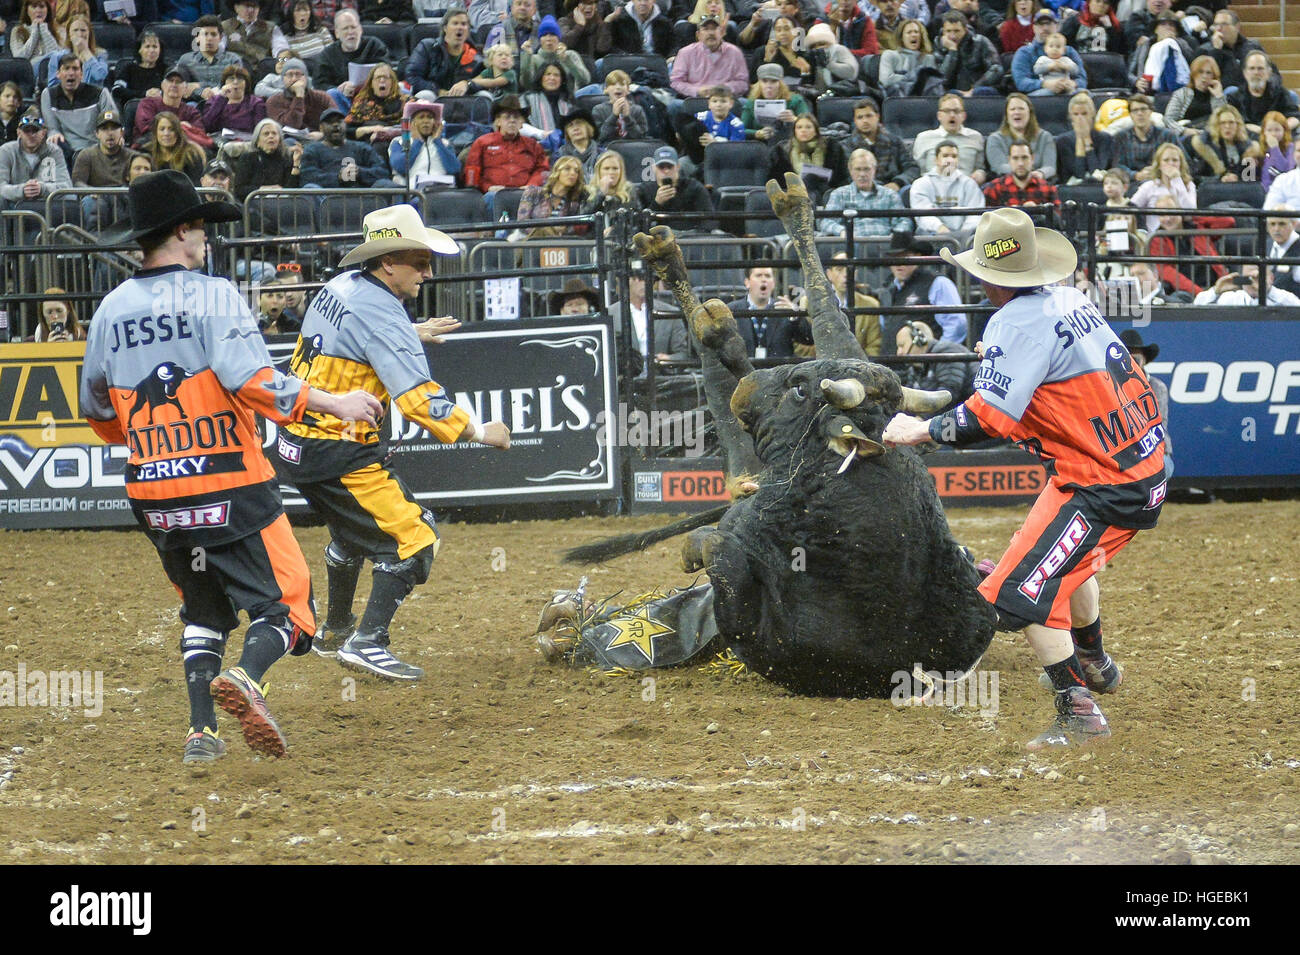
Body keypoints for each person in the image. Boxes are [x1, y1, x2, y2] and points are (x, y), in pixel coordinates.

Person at [79, 169, 384, 763]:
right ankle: (247, 679)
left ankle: (201, 734)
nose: (207, 241)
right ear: (184, 231)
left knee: (203, 609)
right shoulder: (214, 295)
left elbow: (95, 405)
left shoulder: (110, 310)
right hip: (230, 483)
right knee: (291, 607)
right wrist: (335, 401)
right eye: (201, 228)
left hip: (155, 492)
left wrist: (151, 438)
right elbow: (256, 383)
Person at [882, 206, 1168, 750]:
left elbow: (983, 418)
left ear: (987, 276)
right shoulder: (1070, 298)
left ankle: (1078, 710)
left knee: (1017, 591)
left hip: (1100, 482)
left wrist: (916, 431)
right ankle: (1094, 661)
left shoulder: (1014, 322)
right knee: (1065, 563)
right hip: (1139, 466)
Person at [274, 203, 511, 681]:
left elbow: (354, 336)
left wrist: (410, 332)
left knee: (353, 530)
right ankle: (368, 641)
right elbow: (419, 402)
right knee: (415, 537)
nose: (427, 273)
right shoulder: (381, 313)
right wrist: (481, 431)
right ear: (388, 262)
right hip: (340, 451)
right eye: (419, 262)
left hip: (297, 444)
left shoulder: (342, 287)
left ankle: (336, 630)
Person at [462, 93, 550, 212]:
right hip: (493, 195)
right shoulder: (482, 142)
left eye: (516, 117)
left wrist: (531, 185)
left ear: (521, 123)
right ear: (498, 121)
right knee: (491, 198)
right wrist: (488, 188)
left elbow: (542, 169)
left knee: (539, 200)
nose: (512, 121)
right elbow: (472, 172)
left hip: (525, 195)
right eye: (507, 117)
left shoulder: (533, 145)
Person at [878, 229, 965, 344]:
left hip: (925, 359)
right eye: (894, 257)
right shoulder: (888, 290)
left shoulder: (938, 283)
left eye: (904, 256)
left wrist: (938, 354)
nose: (898, 263)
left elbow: (957, 325)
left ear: (917, 256)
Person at [792, 250, 882, 356]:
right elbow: (801, 347)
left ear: (856, 273)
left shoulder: (871, 305)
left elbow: (875, 347)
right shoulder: (808, 303)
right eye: (839, 270)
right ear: (829, 274)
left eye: (848, 270)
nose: (845, 274)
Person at [39, 52, 115, 157]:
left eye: (75, 69)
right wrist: (54, 134)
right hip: (65, 150)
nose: (71, 73)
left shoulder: (100, 94)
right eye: (66, 68)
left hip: (95, 148)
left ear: (81, 75)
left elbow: (111, 121)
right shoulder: (48, 95)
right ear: (58, 74)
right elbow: (52, 128)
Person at [819, 148, 906, 237]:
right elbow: (826, 222)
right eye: (858, 169)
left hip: (884, 244)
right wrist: (842, 231)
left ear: (874, 170)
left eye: (867, 169)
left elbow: (904, 222)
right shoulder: (839, 194)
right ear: (850, 170)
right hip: (851, 244)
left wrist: (896, 236)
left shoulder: (890, 195)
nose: (862, 174)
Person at [893, 318, 975, 411]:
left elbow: (949, 393)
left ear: (920, 340)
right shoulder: (916, 367)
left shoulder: (945, 352)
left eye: (902, 345)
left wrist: (921, 419)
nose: (898, 352)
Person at [910, 141, 985, 241]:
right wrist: (941, 229)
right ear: (936, 159)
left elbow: (975, 215)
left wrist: (963, 234)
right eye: (945, 156)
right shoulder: (921, 184)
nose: (950, 160)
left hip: (965, 237)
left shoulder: (969, 183)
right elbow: (923, 216)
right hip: (931, 235)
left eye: (954, 156)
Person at [768, 113, 847, 205]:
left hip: (827, 196)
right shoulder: (781, 152)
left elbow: (841, 177)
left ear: (815, 130)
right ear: (794, 131)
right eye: (799, 127)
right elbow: (776, 181)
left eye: (808, 127)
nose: (803, 130)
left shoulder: (832, 149)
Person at [300, 106, 389, 187]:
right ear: (321, 128)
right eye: (329, 122)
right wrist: (338, 177)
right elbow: (307, 178)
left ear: (345, 125)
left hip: (363, 198)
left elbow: (383, 172)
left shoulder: (362, 148)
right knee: (310, 187)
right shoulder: (312, 150)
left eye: (339, 121)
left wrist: (360, 172)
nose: (335, 125)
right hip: (326, 199)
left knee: (386, 185)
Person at [635, 144, 715, 231]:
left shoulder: (694, 187)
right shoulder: (644, 190)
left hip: (690, 236)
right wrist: (657, 204)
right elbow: (638, 226)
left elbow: (709, 219)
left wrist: (698, 235)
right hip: (657, 240)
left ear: (678, 167)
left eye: (670, 166)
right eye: (661, 167)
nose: (666, 171)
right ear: (654, 168)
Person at [724, 261, 796, 358]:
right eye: (758, 276)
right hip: (744, 371)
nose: (764, 280)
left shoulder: (785, 308)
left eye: (767, 276)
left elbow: (807, 339)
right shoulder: (731, 310)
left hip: (778, 371)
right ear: (747, 283)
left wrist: (795, 314)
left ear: (773, 283)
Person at [0, 110, 71, 208]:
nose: (31, 135)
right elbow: (1, 186)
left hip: (46, 205)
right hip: (15, 204)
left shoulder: (54, 151)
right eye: (27, 131)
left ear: (43, 133)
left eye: (35, 130)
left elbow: (66, 186)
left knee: (70, 197)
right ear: (19, 133)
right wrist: (22, 190)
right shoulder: (6, 151)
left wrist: (42, 188)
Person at [843, 96, 917, 191]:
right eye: (860, 117)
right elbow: (847, 175)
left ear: (877, 117)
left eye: (869, 116)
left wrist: (897, 183)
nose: (865, 120)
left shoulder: (895, 142)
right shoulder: (847, 146)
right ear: (855, 121)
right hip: (861, 190)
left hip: (893, 190)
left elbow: (912, 168)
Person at [1118, 328, 1170, 461]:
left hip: (1154, 450)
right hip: (1121, 454)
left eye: (1135, 359)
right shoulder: (1107, 386)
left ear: (1144, 360)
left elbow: (1157, 427)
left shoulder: (1157, 387)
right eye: (1124, 358)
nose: (1130, 363)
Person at [913, 92, 987, 185]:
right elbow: (917, 170)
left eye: (956, 111)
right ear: (939, 116)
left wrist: (980, 174)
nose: (952, 115)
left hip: (966, 188)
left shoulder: (975, 137)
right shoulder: (924, 138)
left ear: (964, 116)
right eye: (947, 111)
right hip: (933, 188)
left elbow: (980, 168)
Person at [406, 7, 481, 97]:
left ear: (468, 30)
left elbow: (485, 79)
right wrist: (437, 91)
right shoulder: (427, 47)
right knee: (426, 95)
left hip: (463, 99)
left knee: (484, 95)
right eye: (455, 23)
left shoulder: (475, 55)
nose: (460, 27)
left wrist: (467, 84)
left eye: (464, 24)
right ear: (445, 28)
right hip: (434, 97)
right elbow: (412, 76)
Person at [312, 8, 390, 95]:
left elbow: (388, 73)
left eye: (353, 27)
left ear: (360, 29)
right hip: (340, 99)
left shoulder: (374, 46)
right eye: (345, 28)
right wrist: (339, 89)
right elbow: (319, 84)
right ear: (337, 33)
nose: (350, 32)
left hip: (373, 95)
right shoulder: (327, 55)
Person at [670, 14, 748, 99]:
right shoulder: (685, 53)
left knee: (744, 103)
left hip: (726, 100)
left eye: (714, 29)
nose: (711, 33)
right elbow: (676, 82)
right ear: (698, 35)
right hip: (695, 100)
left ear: (722, 32)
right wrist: (697, 90)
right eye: (706, 29)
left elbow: (743, 83)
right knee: (674, 105)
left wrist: (722, 89)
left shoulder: (735, 52)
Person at [1011, 8, 1086, 97]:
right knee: (1049, 93)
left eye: (1049, 24)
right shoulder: (1024, 52)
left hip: (1068, 91)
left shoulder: (1069, 51)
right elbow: (1021, 82)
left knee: (1084, 94)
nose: (1045, 28)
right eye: (1040, 24)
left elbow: (1082, 79)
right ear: (1034, 28)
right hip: (1039, 97)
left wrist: (1072, 84)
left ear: (1057, 26)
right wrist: (1045, 84)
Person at [985, 92, 1056, 182]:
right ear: (1006, 116)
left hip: (1039, 183)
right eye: (1012, 109)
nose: (1017, 112)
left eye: (1021, 109)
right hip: (1007, 185)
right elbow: (999, 167)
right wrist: (1025, 174)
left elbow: (1050, 167)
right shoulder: (995, 139)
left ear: (1030, 113)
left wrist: (1039, 173)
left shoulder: (1045, 137)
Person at [389, 99, 461, 189]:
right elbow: (400, 167)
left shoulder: (445, 144)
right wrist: (417, 142)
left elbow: (454, 169)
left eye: (430, 117)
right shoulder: (399, 142)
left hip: (442, 192)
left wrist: (437, 142)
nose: (426, 121)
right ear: (412, 123)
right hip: (413, 193)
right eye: (421, 117)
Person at [1112, 92, 1183, 180]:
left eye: (1143, 109)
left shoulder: (1168, 136)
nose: (1140, 113)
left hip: (1164, 181)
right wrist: (1136, 175)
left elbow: (1184, 161)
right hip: (1132, 184)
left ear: (1151, 112)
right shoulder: (1121, 137)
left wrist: (1160, 172)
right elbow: (1117, 165)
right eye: (1135, 110)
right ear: (1130, 115)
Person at [176, 15, 245, 103]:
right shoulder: (186, 59)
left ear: (220, 38)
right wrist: (201, 92)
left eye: (213, 34)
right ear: (197, 38)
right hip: (196, 104)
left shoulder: (233, 59)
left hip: (226, 102)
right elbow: (180, 86)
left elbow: (237, 85)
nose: (209, 38)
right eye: (205, 34)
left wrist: (201, 86)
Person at [1228, 51, 1299, 136]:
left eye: (1260, 68)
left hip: (1277, 139)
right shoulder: (1234, 97)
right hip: (1247, 141)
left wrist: (1278, 130)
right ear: (1245, 73)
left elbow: (1295, 117)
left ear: (1269, 73)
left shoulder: (1281, 93)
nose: (1256, 73)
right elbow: (1231, 124)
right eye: (1252, 68)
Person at [1131, 141, 1195, 233]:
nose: (1171, 164)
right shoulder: (1149, 186)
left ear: (1180, 164)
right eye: (1166, 160)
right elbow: (1131, 208)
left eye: (1175, 160)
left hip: (1181, 236)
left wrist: (1177, 180)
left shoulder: (1189, 185)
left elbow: (1190, 214)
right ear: (1159, 164)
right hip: (1155, 238)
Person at [231, 116, 302, 200]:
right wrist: (262, 189)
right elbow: (239, 190)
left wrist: (296, 163)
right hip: (254, 204)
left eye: (274, 133)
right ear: (257, 141)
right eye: (266, 134)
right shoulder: (248, 158)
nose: (271, 136)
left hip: (281, 204)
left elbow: (291, 191)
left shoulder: (286, 158)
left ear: (279, 140)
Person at [935, 10, 1002, 97]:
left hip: (978, 92)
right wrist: (952, 52)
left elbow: (997, 69)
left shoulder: (980, 41)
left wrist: (974, 88)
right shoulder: (938, 44)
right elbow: (941, 79)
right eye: (948, 31)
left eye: (956, 31)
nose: (952, 36)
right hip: (951, 94)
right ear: (943, 31)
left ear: (965, 29)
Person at [516, 154, 587, 236]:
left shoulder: (573, 202)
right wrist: (545, 232)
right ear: (556, 172)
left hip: (559, 243)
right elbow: (521, 223)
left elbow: (573, 229)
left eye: (576, 171)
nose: (572, 173)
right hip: (529, 241)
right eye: (567, 169)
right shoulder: (533, 192)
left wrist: (563, 231)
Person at [1196, 8, 1262, 94]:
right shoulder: (1205, 50)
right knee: (1232, 91)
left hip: (1252, 94)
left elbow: (1272, 73)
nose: (1219, 29)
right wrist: (1216, 51)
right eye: (1216, 25)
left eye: (1224, 24)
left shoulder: (1253, 47)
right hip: (1220, 96)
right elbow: (1206, 79)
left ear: (1237, 27)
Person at [740, 64, 810, 144]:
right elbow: (741, 129)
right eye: (764, 81)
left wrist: (794, 120)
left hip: (790, 145)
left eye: (773, 81)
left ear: (781, 83)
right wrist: (757, 133)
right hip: (761, 147)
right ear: (759, 82)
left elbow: (810, 124)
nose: (768, 86)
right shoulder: (752, 103)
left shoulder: (795, 100)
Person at [1056, 91, 1115, 184]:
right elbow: (1079, 174)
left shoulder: (1105, 138)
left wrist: (1087, 140)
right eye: (1076, 114)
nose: (1080, 118)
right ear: (1070, 116)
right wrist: (1079, 140)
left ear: (1092, 114)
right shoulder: (1062, 141)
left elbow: (1097, 173)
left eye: (1084, 114)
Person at [133, 67, 203, 145]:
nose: (174, 85)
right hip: (149, 150)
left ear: (186, 89)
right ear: (162, 85)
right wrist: (181, 127)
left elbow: (199, 135)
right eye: (170, 81)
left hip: (181, 151)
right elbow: (146, 128)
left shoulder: (191, 111)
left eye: (178, 82)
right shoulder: (147, 104)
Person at [266, 57, 335, 134]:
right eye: (290, 75)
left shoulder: (322, 97)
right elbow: (290, 127)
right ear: (283, 78)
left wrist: (323, 135)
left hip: (320, 139)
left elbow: (336, 122)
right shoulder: (274, 101)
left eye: (298, 74)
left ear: (306, 77)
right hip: (290, 140)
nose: (294, 79)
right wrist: (299, 97)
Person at [983, 140, 1060, 208]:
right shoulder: (994, 188)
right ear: (1009, 160)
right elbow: (986, 221)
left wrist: (1038, 211)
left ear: (1032, 159)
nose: (1020, 163)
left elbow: (1057, 221)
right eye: (1015, 158)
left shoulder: (1049, 189)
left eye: (1025, 157)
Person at [521, 15, 590, 91]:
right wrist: (527, 56)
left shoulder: (570, 55)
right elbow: (526, 84)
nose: (548, 39)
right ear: (540, 40)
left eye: (552, 35)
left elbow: (585, 80)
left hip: (568, 99)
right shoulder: (533, 59)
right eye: (544, 35)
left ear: (558, 38)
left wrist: (566, 60)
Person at [343, 62, 406, 143]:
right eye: (378, 77)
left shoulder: (405, 103)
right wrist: (370, 129)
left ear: (393, 82)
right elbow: (346, 130)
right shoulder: (361, 104)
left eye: (386, 77)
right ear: (371, 83)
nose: (382, 80)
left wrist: (387, 131)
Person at [1165, 55, 1226, 135]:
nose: (1204, 76)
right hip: (1186, 135)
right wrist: (1184, 131)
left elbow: (1223, 120)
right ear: (1193, 74)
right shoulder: (1182, 93)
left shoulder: (1217, 96)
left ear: (1214, 76)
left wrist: (1218, 96)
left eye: (1208, 73)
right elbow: (1168, 119)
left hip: (1210, 135)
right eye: (1200, 72)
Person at [1189, 104, 1251, 183]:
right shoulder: (1206, 146)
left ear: (1237, 124)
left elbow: (1251, 179)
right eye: (1222, 123)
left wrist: (1238, 179)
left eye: (1231, 122)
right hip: (1215, 191)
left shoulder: (1245, 145)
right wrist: (1220, 179)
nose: (1227, 126)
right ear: (1216, 125)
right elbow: (1195, 178)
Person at [878, 17, 937, 99]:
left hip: (922, 102)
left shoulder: (928, 58)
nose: (913, 35)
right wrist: (916, 78)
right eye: (909, 32)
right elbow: (886, 80)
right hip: (896, 101)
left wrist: (898, 77)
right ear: (901, 37)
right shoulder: (889, 55)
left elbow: (931, 84)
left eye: (916, 32)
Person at [1193, 262, 1300, 307]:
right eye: (1249, 278)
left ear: (1271, 278)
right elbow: (1196, 306)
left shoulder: (1283, 297)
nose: (1254, 282)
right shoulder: (1231, 298)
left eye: (1259, 277)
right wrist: (1216, 291)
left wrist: (1267, 290)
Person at [202, 65, 267, 136]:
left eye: (240, 79)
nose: (235, 82)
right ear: (224, 82)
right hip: (219, 140)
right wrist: (221, 98)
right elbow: (206, 126)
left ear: (246, 83)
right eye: (231, 78)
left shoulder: (256, 102)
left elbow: (260, 130)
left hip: (246, 141)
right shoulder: (214, 101)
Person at [222, 0, 289, 69]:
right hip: (235, 70)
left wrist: (282, 62)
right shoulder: (224, 27)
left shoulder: (271, 27)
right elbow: (219, 49)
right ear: (236, 7)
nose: (251, 10)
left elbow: (282, 49)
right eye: (247, 6)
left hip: (263, 70)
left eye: (255, 6)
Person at [145, 110, 207, 185]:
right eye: (162, 129)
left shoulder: (191, 155)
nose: (166, 133)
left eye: (171, 129)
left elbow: (195, 186)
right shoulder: (146, 152)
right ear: (156, 132)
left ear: (177, 132)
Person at [110, 29, 166, 106]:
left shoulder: (166, 69)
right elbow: (116, 90)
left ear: (160, 50)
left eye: (155, 46)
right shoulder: (129, 68)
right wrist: (145, 94)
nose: (152, 50)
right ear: (139, 50)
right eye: (147, 46)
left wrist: (160, 93)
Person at [591, 69, 647, 143]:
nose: (618, 87)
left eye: (622, 84)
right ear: (606, 89)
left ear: (628, 90)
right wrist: (614, 116)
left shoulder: (637, 110)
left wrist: (627, 117)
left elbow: (641, 138)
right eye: (613, 84)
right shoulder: (598, 110)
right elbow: (599, 138)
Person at [521, 62, 574, 134]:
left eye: (556, 75)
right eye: (548, 74)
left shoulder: (569, 100)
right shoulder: (527, 99)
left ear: (562, 80)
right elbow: (520, 126)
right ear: (540, 77)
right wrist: (542, 134)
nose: (552, 78)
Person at [607, 0, 673, 57]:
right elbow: (611, 46)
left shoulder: (664, 23)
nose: (643, 3)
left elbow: (673, 45)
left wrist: (671, 57)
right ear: (633, 1)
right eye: (639, 0)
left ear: (654, 1)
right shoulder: (620, 20)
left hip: (655, 62)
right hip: (627, 61)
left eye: (647, 0)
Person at [582, 148, 636, 218]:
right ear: (599, 171)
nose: (611, 172)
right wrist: (601, 193)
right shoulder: (587, 190)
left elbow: (634, 219)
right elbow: (584, 216)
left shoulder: (629, 190)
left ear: (621, 171)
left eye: (615, 168)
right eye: (606, 168)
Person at [9, 0, 63, 69]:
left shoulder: (59, 30)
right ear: (27, 11)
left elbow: (58, 57)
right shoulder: (17, 31)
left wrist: (44, 30)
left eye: (42, 7)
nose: (38, 10)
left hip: (53, 70)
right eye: (34, 7)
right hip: (29, 71)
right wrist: (34, 32)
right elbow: (19, 58)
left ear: (47, 10)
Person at [1263, 206, 1300, 299]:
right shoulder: (1266, 244)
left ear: (1294, 224)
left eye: (1282, 224)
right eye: (1272, 224)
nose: (1276, 229)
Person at [1264, 138, 1300, 210]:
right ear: (1293, 154)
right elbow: (1268, 209)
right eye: (1299, 150)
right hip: (1290, 220)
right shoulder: (1282, 180)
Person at [0, 82, 24, 148]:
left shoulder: (24, 122)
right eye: (7, 96)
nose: (11, 100)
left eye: (15, 97)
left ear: (19, 102)